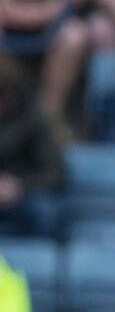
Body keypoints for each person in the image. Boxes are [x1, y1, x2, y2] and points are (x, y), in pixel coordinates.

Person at [0, 54, 64, 236]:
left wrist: (18, 186)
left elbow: (56, 174)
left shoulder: (33, 120)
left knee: (46, 211)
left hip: (22, 197)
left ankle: (40, 261)